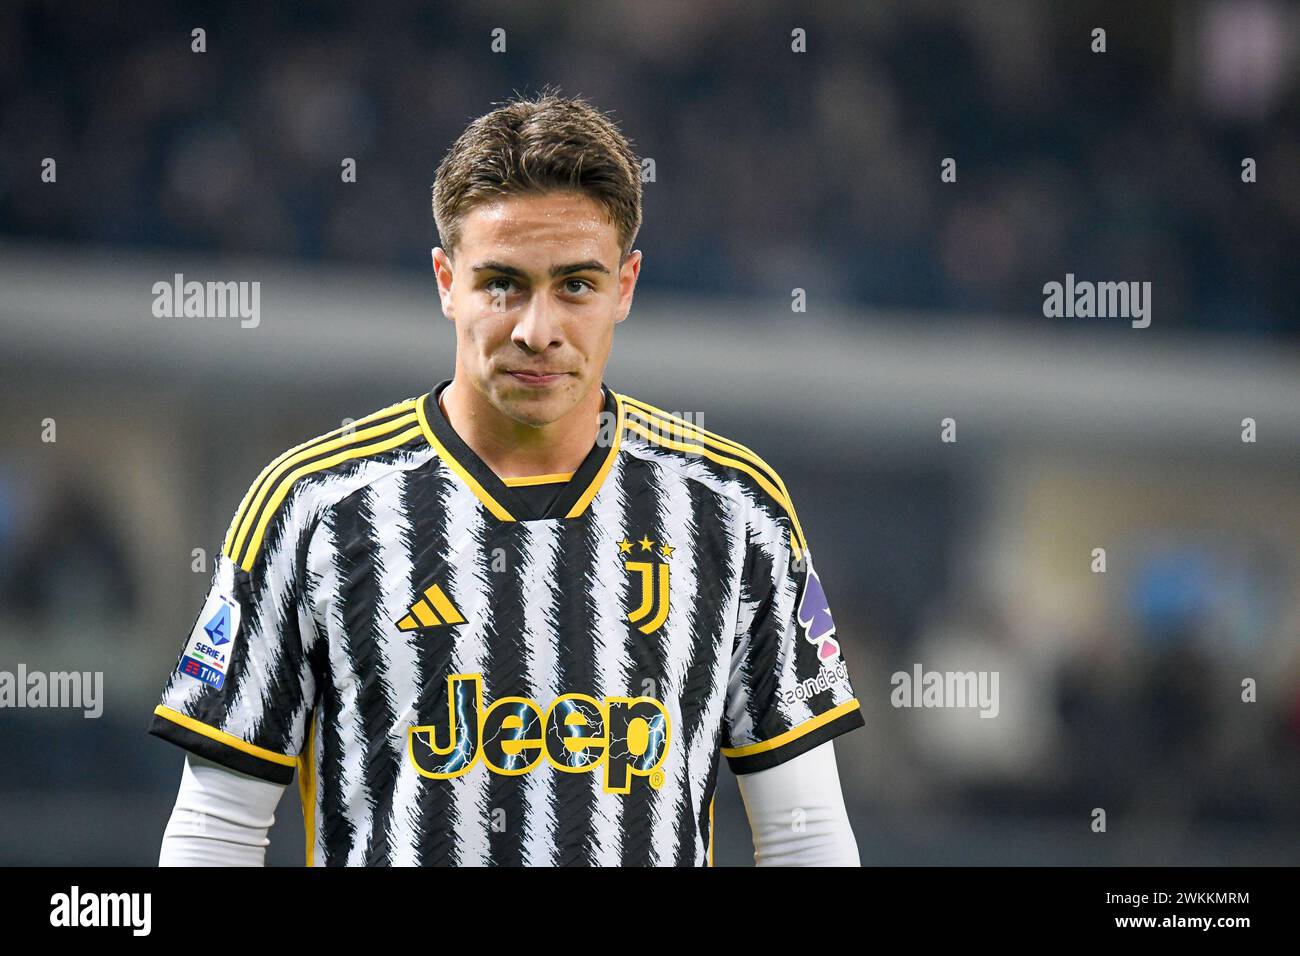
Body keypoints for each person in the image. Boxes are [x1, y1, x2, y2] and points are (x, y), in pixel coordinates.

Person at [149, 90, 864, 866]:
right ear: (445, 280)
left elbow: (802, 834)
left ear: (624, 287)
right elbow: (218, 827)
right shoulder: (313, 506)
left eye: (576, 286)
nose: (536, 329)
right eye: (502, 284)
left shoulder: (732, 510)